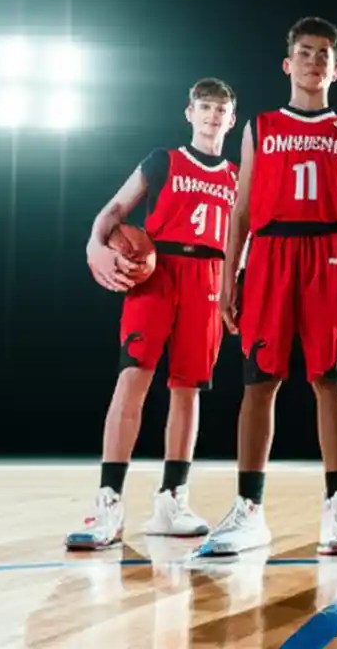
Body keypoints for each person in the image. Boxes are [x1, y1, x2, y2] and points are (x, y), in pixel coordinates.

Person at [195, 17, 337, 557]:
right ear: (288, 64)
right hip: (270, 254)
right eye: (305, 53)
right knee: (259, 381)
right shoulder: (261, 127)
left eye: (323, 55)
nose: (314, 61)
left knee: (330, 380)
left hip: (329, 253)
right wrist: (229, 277)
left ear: (335, 70)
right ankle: (249, 508)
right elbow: (241, 209)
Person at [66, 78, 238, 550]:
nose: (212, 115)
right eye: (205, 107)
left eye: (220, 109)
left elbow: (244, 237)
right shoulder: (163, 161)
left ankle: (172, 500)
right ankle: (108, 502)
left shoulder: (238, 176)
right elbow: (114, 210)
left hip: (208, 276)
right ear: (189, 113)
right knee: (132, 379)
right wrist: (95, 247)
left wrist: (235, 284)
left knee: (188, 389)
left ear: (231, 119)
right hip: (157, 274)